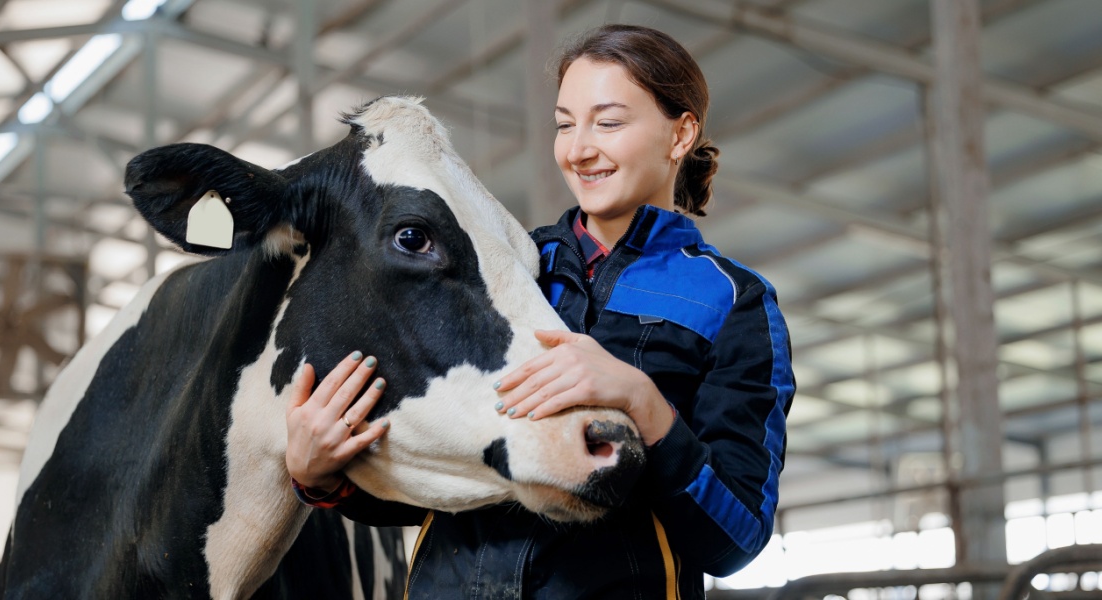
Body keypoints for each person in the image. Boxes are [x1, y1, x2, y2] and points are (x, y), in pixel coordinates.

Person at [285, 24, 795, 599]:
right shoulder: (498, 264)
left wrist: (642, 403)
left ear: (680, 134)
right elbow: (435, 484)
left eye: (608, 122)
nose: (579, 149)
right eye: (564, 124)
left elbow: (735, 538)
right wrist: (322, 477)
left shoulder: (732, 301)